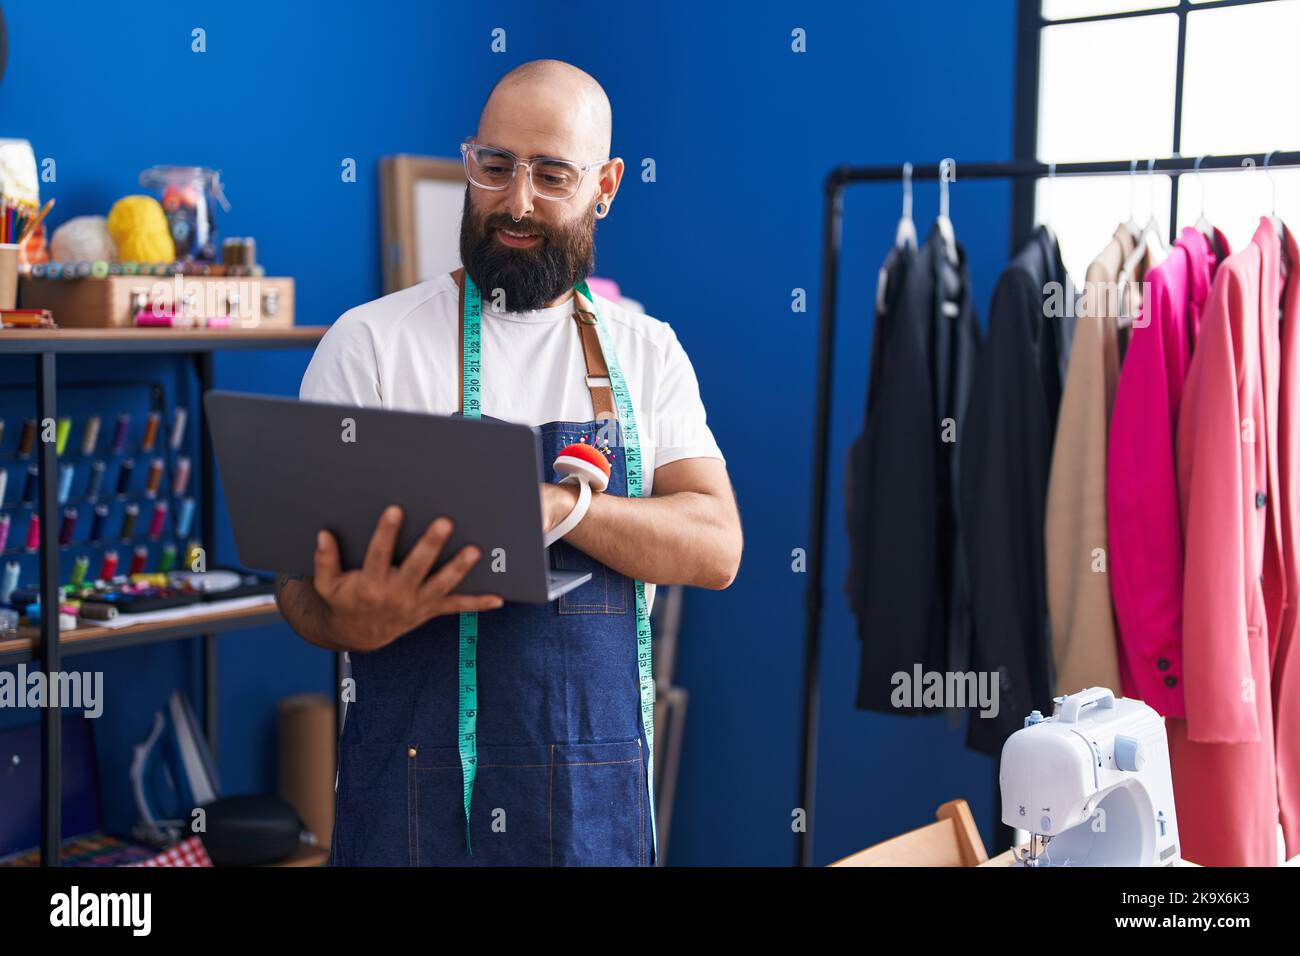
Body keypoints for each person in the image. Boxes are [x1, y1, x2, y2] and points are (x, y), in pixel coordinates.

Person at [275, 59, 742, 866]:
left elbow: (715, 546)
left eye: (552, 174)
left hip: (594, 808)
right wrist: (355, 619)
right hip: (408, 808)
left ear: (607, 185)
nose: (516, 202)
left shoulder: (646, 352)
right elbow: (298, 593)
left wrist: (568, 508)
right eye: (494, 167)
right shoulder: (373, 343)